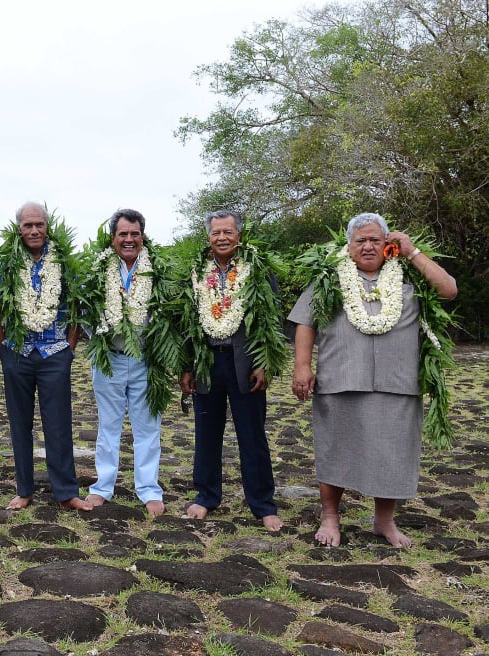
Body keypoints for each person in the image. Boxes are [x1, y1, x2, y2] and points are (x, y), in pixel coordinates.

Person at [289, 213, 457, 548]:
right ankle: (330, 516)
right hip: (341, 377)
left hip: (398, 381)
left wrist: (412, 252)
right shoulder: (329, 277)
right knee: (335, 449)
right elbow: (305, 322)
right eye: (360, 240)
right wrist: (302, 366)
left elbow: (449, 290)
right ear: (348, 246)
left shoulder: (410, 276)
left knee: (392, 452)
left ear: (388, 245)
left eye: (375, 240)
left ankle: (384, 521)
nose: (368, 246)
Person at [179, 210, 286, 531]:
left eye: (228, 232)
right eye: (216, 233)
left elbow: (272, 318)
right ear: (208, 237)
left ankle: (263, 504)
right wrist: (186, 366)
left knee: (252, 436)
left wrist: (264, 362)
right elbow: (185, 322)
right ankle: (206, 496)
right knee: (206, 433)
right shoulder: (195, 270)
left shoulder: (257, 269)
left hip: (246, 363)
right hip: (207, 362)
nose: (222, 238)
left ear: (239, 235)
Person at [0, 202, 91, 511]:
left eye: (39, 225)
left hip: (55, 353)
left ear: (48, 226)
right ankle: (24, 490)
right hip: (17, 353)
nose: (34, 230)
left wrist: (69, 348)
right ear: (19, 229)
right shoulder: (6, 263)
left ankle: (66, 492)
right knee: (19, 424)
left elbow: (76, 307)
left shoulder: (63, 261)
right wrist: (4, 351)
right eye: (27, 225)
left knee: (58, 424)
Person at [82, 209, 173, 516]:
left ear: (143, 237)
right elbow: (85, 310)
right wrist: (102, 336)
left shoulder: (157, 269)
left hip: (146, 360)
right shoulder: (98, 270)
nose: (129, 239)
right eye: (123, 234)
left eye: (135, 234)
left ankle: (149, 489)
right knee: (108, 426)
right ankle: (102, 487)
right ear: (113, 239)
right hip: (110, 359)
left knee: (148, 428)